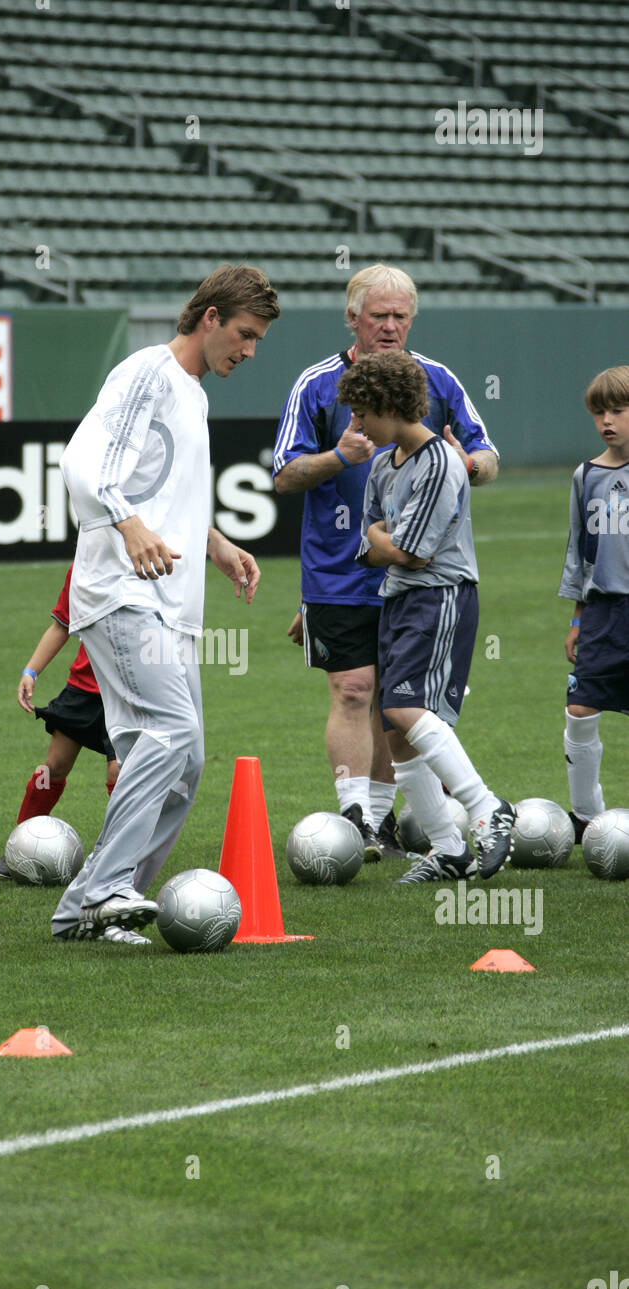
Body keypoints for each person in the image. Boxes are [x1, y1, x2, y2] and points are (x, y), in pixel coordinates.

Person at [50, 264, 279, 945]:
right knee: (170, 733)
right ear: (208, 317)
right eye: (243, 334)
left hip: (171, 604)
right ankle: (105, 890)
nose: (248, 350)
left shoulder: (192, 393)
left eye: (258, 340)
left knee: (184, 766)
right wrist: (125, 524)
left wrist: (213, 543)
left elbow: (158, 491)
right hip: (122, 593)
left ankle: (83, 912)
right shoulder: (148, 371)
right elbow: (81, 464)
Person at [273, 264, 498, 860]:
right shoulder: (316, 385)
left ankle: (390, 823)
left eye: (401, 316)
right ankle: (359, 821)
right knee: (354, 689)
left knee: (399, 706)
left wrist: (464, 465)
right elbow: (284, 474)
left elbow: (488, 456)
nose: (391, 326)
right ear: (353, 318)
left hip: (420, 577)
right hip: (339, 571)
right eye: (380, 316)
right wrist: (338, 457)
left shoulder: (437, 379)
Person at [341, 351, 515, 882]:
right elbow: (367, 540)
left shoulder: (440, 463)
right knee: (396, 729)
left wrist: (379, 544)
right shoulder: (380, 465)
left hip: (438, 597)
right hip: (399, 599)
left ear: (389, 406)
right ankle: (448, 849)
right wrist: (379, 544)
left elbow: (412, 552)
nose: (356, 426)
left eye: (361, 414)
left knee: (408, 709)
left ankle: (487, 809)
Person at [0, 563, 119, 878]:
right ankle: (19, 844)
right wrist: (30, 671)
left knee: (120, 773)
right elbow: (62, 625)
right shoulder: (82, 568)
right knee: (52, 769)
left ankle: (119, 860)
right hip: (83, 689)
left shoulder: (144, 559)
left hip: (126, 694)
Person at [559, 365, 629, 840]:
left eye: (618, 410)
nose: (607, 420)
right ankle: (587, 817)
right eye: (599, 412)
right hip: (604, 613)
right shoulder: (586, 476)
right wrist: (577, 618)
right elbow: (579, 551)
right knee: (580, 710)